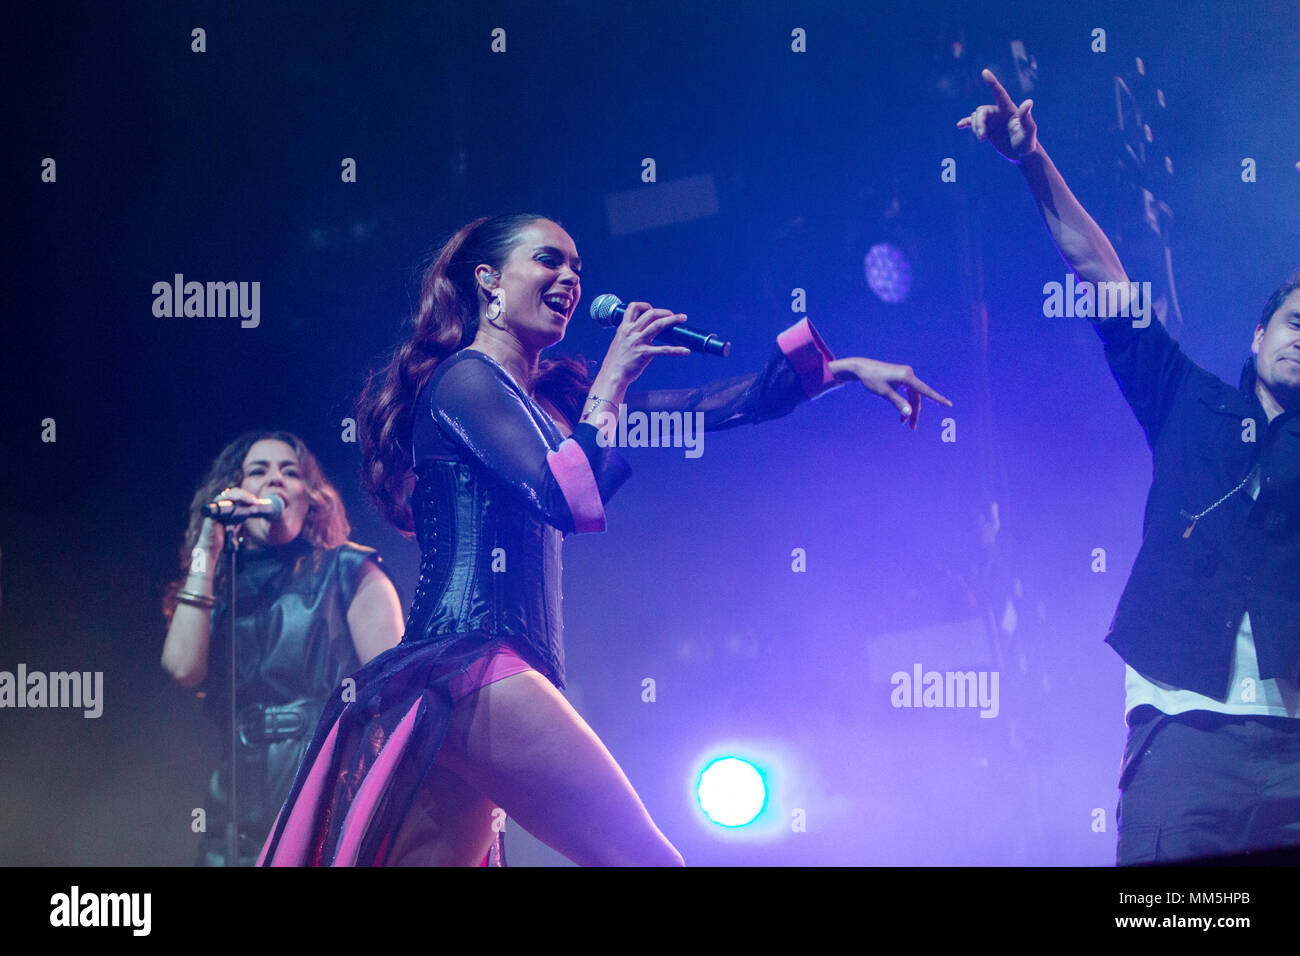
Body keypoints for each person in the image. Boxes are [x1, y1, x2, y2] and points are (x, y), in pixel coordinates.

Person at [257, 214, 950, 867]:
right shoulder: (466, 378)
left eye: (577, 267)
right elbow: (563, 496)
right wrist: (611, 382)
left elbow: (704, 410)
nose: (570, 279)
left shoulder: (542, 406)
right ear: (488, 281)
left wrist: (842, 371)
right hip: (473, 665)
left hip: (474, 680)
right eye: (547, 260)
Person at [959, 70, 1300, 864]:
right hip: (1183, 737)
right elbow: (1103, 279)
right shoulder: (1187, 398)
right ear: (1258, 336)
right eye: (1294, 321)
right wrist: (1032, 164)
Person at [162, 431, 404, 865]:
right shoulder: (222, 588)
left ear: (309, 497)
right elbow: (182, 666)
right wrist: (206, 547)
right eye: (259, 471)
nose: (275, 480)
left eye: (289, 472)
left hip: (325, 790)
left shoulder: (349, 570)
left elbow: (399, 698)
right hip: (234, 805)